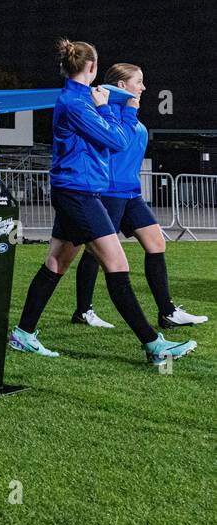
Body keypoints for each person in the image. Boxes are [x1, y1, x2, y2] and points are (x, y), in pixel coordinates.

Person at [8, 40, 197, 365]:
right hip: (78, 194)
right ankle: (155, 346)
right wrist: (119, 109)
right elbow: (116, 140)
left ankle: (23, 334)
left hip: (77, 192)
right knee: (117, 264)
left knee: (56, 264)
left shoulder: (79, 99)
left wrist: (107, 106)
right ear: (92, 68)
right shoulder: (77, 104)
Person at [72, 63, 207, 330]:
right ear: (121, 86)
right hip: (108, 194)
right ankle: (83, 311)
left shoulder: (132, 118)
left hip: (132, 194)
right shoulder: (105, 115)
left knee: (157, 243)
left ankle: (167, 312)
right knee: (95, 253)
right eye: (139, 81)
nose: (144, 87)